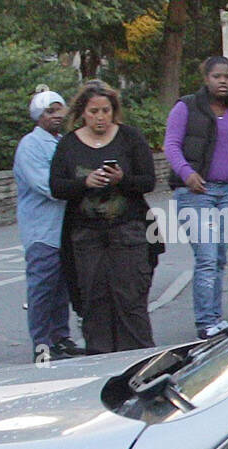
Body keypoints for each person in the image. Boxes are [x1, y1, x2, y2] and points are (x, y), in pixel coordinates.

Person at [49, 81, 158, 354]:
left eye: (106, 111)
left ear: (114, 111)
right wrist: (85, 182)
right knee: (93, 300)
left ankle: (140, 359)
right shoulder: (69, 145)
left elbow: (148, 181)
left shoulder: (130, 138)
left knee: (130, 299)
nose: (100, 117)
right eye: (94, 111)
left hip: (129, 231)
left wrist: (121, 179)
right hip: (86, 235)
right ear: (83, 112)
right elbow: (57, 187)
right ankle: (99, 358)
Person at [165, 56, 228, 339]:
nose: (223, 81)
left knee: (219, 257)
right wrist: (187, 173)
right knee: (207, 256)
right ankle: (206, 322)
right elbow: (171, 145)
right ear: (205, 79)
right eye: (217, 76)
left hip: (226, 191)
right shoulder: (187, 107)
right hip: (196, 192)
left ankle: (216, 319)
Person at [15, 89, 82, 361]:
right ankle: (42, 344)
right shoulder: (30, 146)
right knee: (42, 290)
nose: (56, 116)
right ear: (38, 116)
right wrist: (81, 186)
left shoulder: (61, 142)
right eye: (48, 111)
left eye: (59, 110)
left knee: (61, 288)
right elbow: (49, 186)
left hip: (63, 229)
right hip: (41, 231)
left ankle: (60, 338)